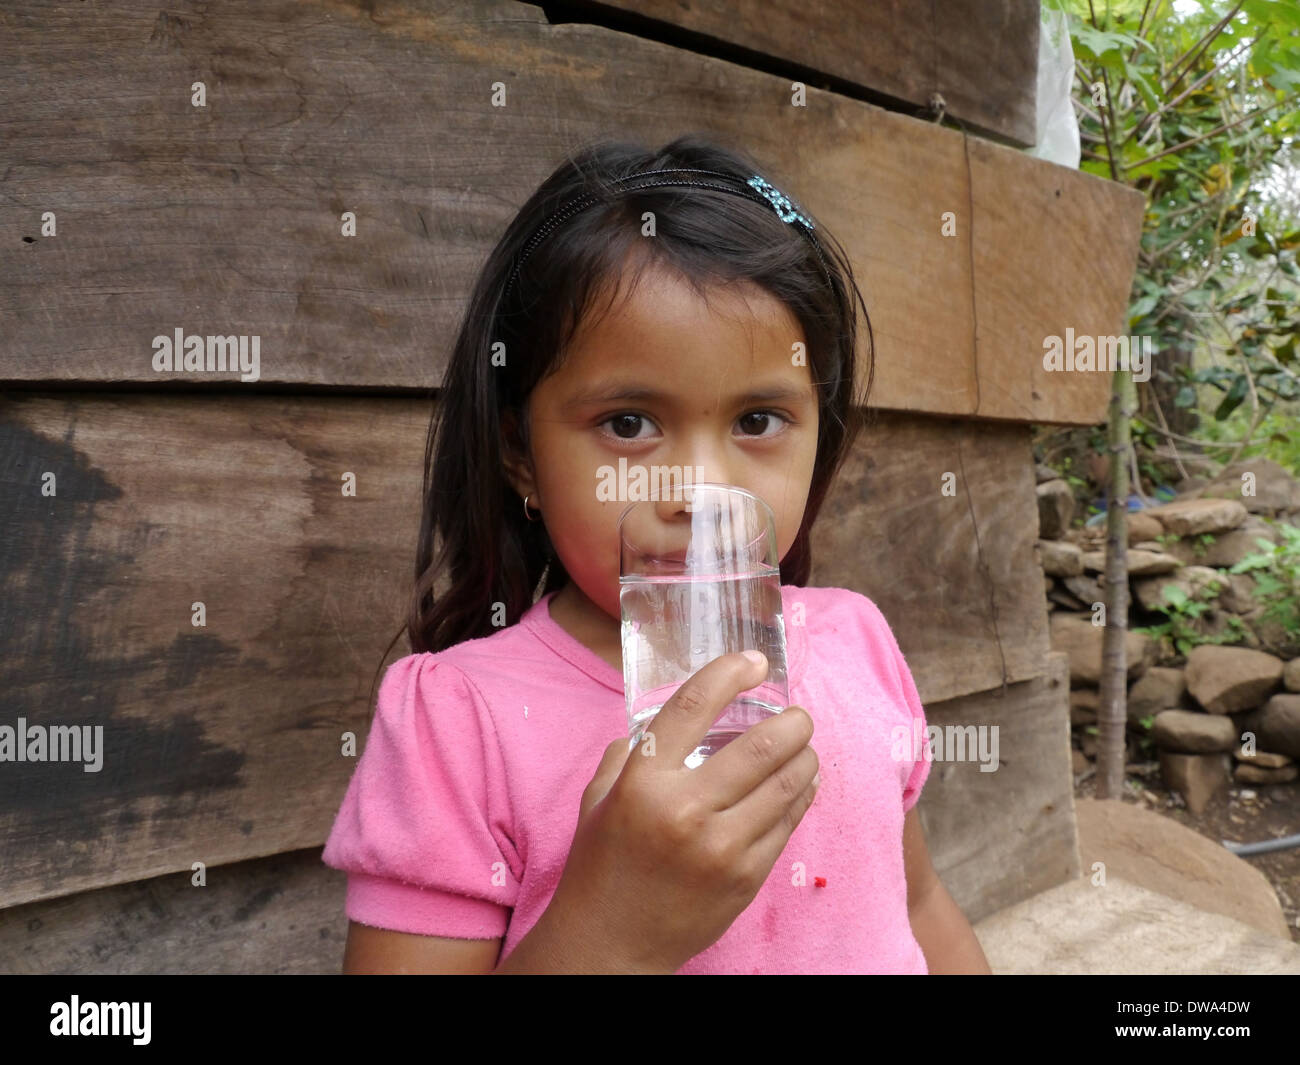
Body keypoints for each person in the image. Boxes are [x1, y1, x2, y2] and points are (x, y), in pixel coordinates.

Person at [322, 133, 991, 974]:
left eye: (757, 421)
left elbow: (922, 904)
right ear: (518, 450)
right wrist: (613, 929)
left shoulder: (856, 643)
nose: (701, 489)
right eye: (629, 423)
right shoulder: (459, 724)